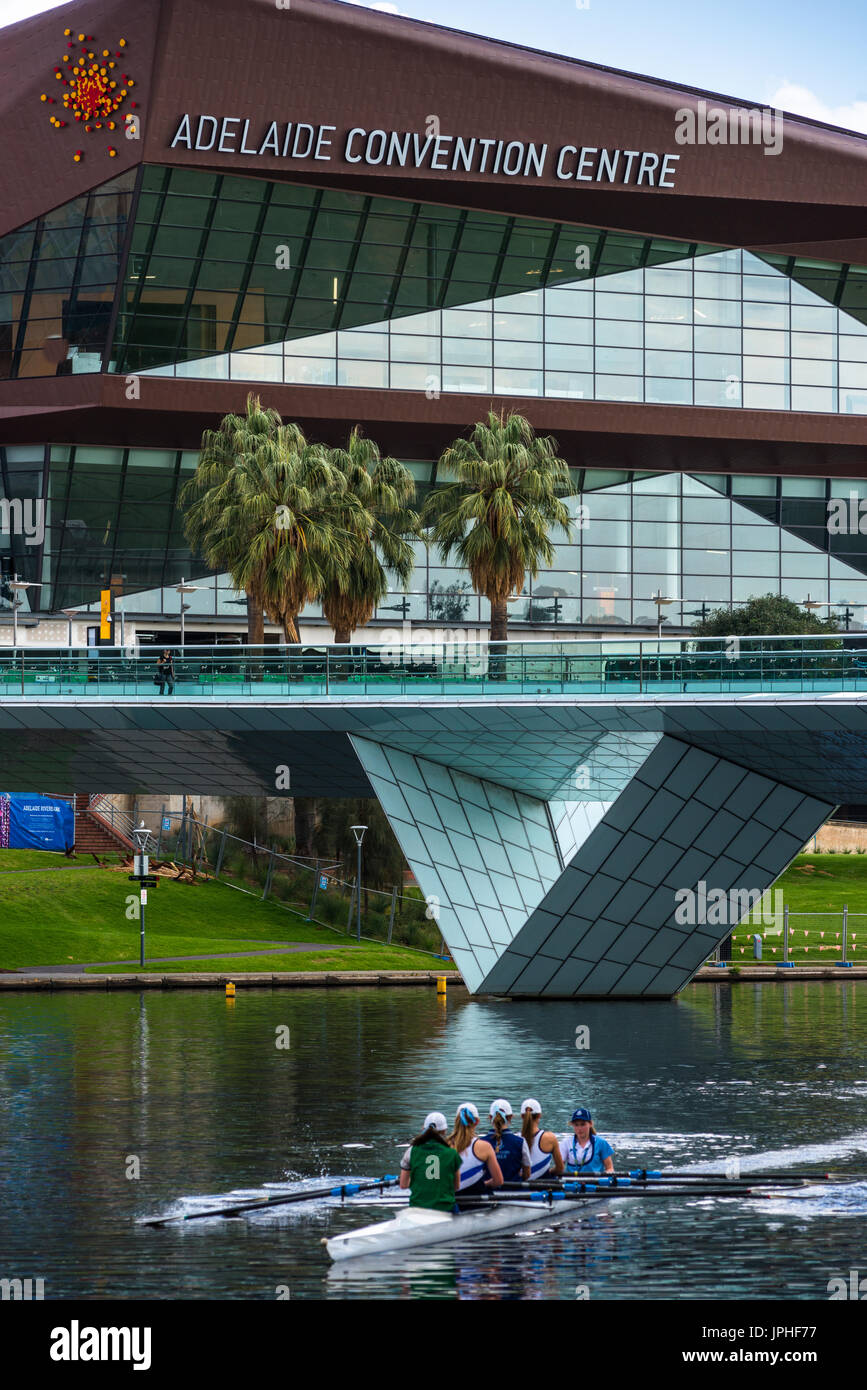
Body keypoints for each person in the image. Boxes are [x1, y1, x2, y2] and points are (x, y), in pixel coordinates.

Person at [398, 1111, 462, 1212]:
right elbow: (456, 1186)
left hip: (417, 1208)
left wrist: (420, 1181)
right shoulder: (452, 1153)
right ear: (444, 1131)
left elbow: (403, 1185)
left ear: (423, 1129)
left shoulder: (411, 1151)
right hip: (445, 1209)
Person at [448, 1103, 504, 1196]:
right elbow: (498, 1181)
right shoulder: (484, 1147)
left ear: (456, 1120)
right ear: (477, 1122)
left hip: (450, 1200)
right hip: (477, 1203)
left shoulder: (444, 1145)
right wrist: (485, 1184)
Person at [483, 1099, 531, 1183]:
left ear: (490, 1117)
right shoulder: (520, 1142)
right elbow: (527, 1174)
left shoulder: (480, 1143)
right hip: (515, 1192)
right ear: (511, 1117)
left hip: (488, 1191)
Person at [560, 1107, 615, 1176]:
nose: (579, 1128)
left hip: (595, 1184)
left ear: (590, 1124)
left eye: (583, 1124)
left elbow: (610, 1168)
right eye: (576, 1125)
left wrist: (607, 1176)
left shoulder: (601, 1143)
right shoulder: (565, 1143)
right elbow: (559, 1168)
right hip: (572, 1184)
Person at [520, 1098, 565, 1180]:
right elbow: (560, 1168)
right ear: (539, 1115)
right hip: (543, 1188)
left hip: (520, 1188)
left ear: (522, 1116)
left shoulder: (516, 1139)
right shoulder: (550, 1138)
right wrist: (549, 1171)